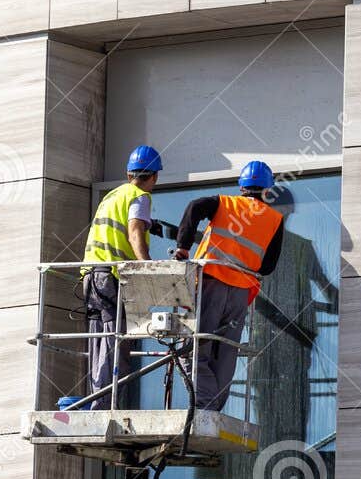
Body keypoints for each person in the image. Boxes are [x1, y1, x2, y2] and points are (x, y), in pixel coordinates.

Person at [174, 160, 286, 411]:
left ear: (242, 186)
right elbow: (267, 267)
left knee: (192, 348)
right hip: (240, 294)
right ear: (267, 190)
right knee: (225, 352)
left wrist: (183, 247)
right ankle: (212, 408)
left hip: (211, 284)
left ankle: (204, 405)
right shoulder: (274, 219)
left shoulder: (225, 203)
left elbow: (194, 207)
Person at [79, 145, 160, 409]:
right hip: (111, 278)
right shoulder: (140, 196)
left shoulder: (112, 196)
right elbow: (135, 232)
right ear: (155, 177)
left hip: (90, 276)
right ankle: (104, 405)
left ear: (128, 174)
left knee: (98, 341)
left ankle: (95, 400)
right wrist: (147, 267)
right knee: (117, 341)